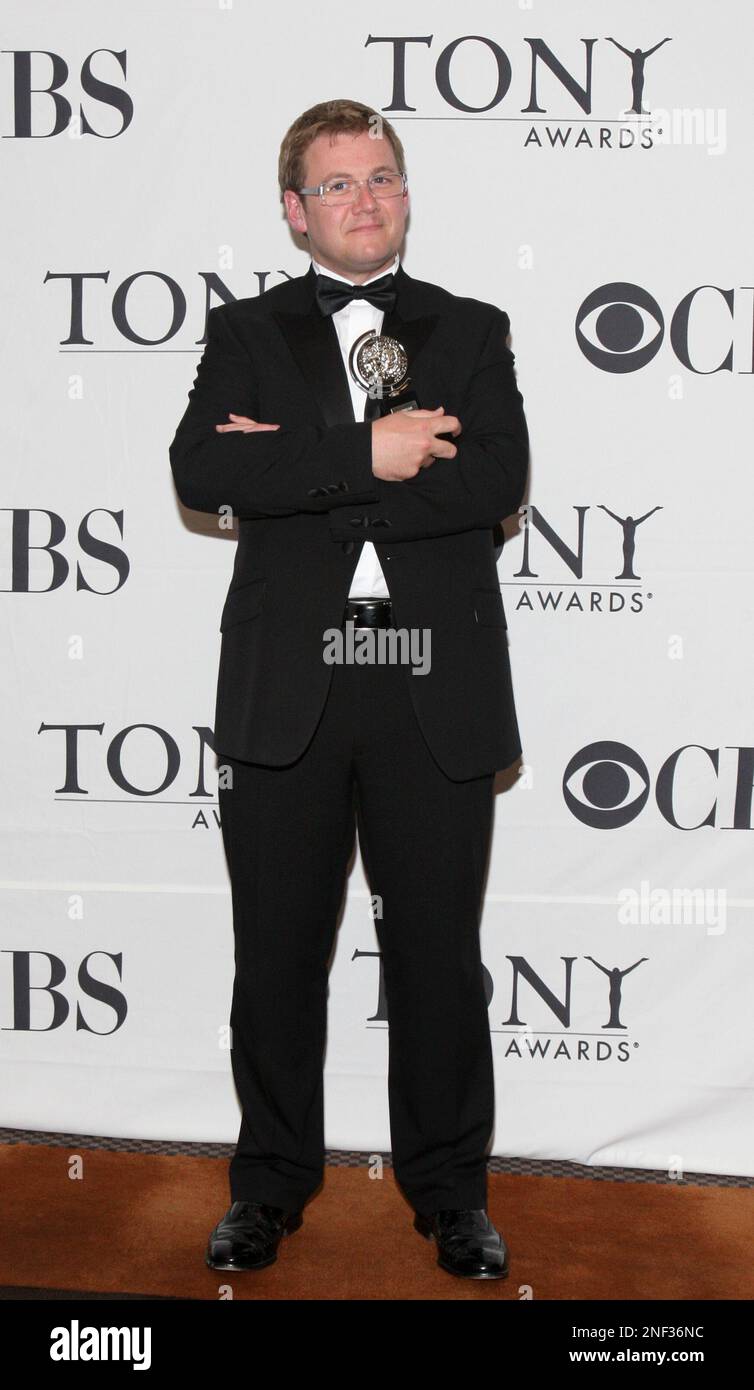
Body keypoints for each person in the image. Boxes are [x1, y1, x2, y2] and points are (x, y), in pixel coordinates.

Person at [169, 98, 529, 1281]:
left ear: (406, 193)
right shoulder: (246, 329)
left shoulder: (471, 328)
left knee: (436, 953)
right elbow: (204, 468)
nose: (364, 199)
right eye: (337, 185)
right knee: (276, 954)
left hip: (431, 678)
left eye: (381, 177)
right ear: (294, 211)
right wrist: (366, 453)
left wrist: (299, 468)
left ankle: (451, 1194)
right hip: (292, 682)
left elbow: (489, 483)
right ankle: (268, 1188)